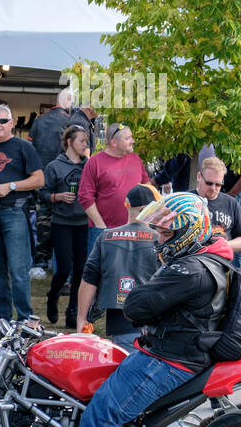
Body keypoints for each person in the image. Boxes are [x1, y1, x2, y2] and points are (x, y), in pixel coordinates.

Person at [14, 193, 235, 427]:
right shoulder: (202, 259)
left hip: (169, 359)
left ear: (187, 233)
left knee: (100, 416)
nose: (159, 240)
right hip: (173, 350)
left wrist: (148, 292)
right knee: (95, 406)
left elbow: (135, 306)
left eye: (164, 234)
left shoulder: (188, 269)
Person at [0, 103, 45, 322]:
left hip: (14, 211)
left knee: (18, 270)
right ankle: (1, 319)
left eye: (2, 121)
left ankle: (25, 319)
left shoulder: (23, 147)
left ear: (12, 123)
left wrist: (11, 186)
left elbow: (39, 179)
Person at [76, 184, 161, 350]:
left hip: (120, 325)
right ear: (145, 209)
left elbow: (89, 279)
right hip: (154, 322)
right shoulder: (161, 239)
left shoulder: (106, 237)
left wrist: (82, 318)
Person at [41, 125, 92, 330]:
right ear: (70, 142)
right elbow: (42, 194)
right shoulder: (54, 166)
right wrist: (58, 196)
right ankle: (53, 296)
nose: (85, 145)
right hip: (61, 222)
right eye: (81, 141)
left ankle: (72, 312)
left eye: (86, 142)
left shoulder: (88, 165)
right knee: (64, 269)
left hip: (82, 223)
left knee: (81, 270)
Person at [78, 122, 151, 258]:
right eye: (128, 138)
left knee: (132, 273)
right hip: (105, 230)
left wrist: (147, 219)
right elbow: (85, 197)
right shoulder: (94, 162)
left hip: (136, 230)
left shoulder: (135, 159)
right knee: (101, 273)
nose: (132, 141)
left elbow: (147, 188)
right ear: (114, 142)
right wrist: (101, 226)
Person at [194, 157, 241, 262]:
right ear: (199, 177)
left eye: (218, 184)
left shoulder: (230, 203)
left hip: (220, 267)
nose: (213, 188)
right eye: (209, 183)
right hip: (192, 263)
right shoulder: (186, 199)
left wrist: (224, 245)